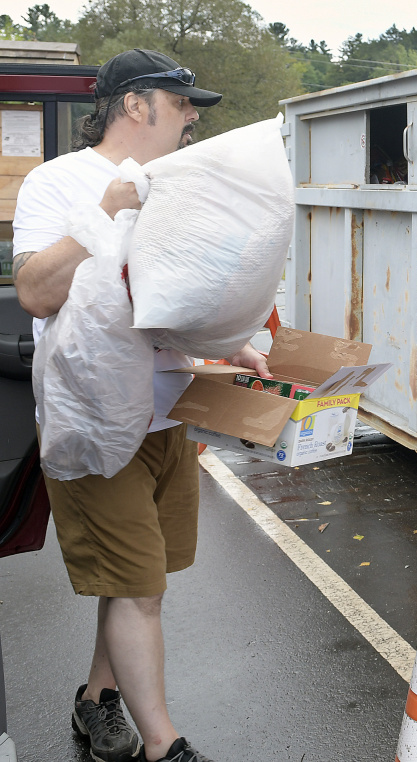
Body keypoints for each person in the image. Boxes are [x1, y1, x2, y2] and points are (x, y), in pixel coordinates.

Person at [11, 49, 271, 762]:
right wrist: (103, 213)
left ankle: (98, 700)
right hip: (92, 420)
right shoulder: (58, 181)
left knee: (140, 578)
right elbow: (34, 291)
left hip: (167, 414)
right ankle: (165, 745)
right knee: (139, 588)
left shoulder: (177, 185)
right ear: (135, 105)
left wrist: (234, 340)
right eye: (183, 104)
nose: (192, 118)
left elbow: (175, 299)